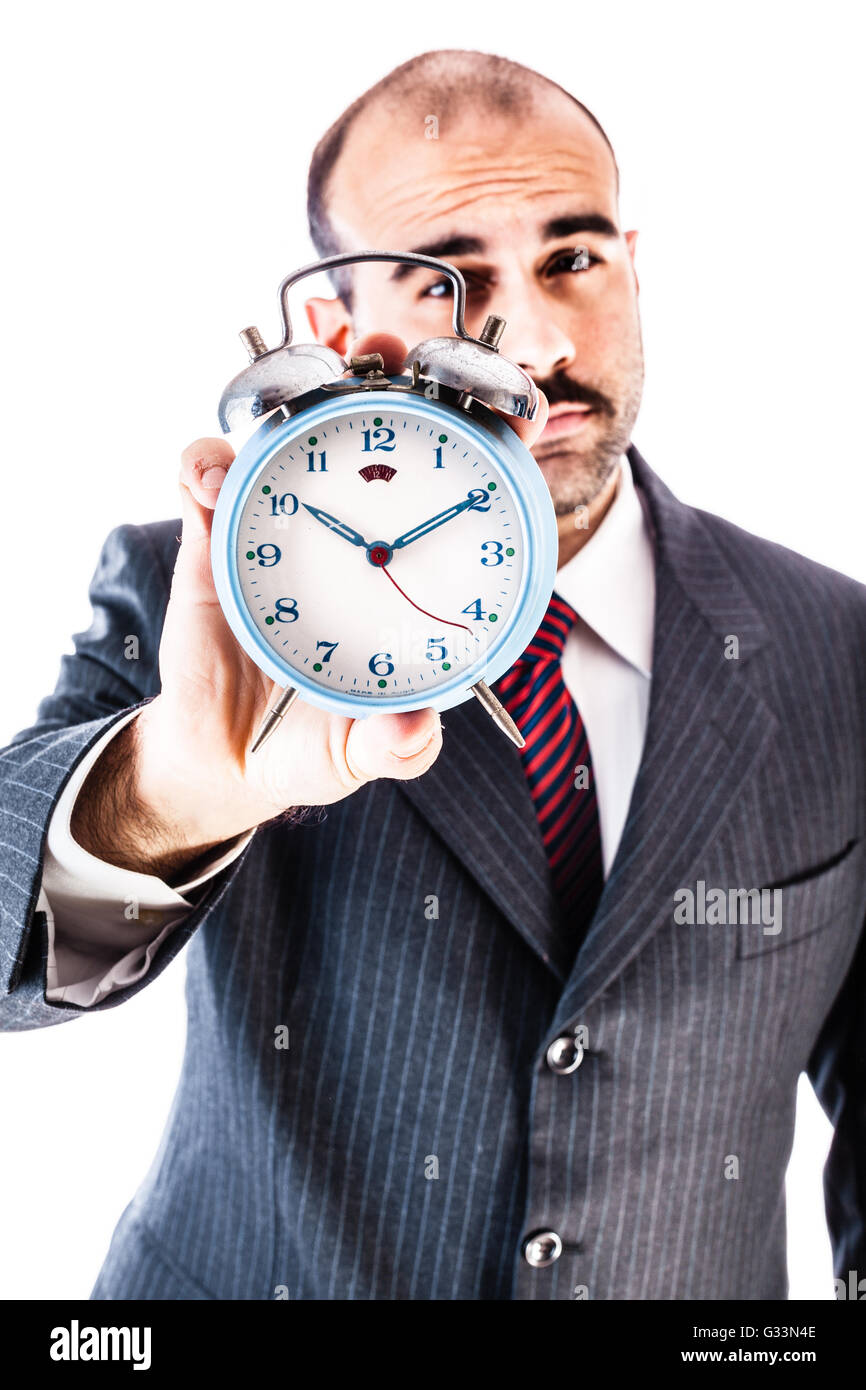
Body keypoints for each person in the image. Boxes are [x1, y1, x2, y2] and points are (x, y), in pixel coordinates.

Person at [1, 48, 864, 1302]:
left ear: (632, 262)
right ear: (330, 328)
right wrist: (174, 792)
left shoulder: (834, 647)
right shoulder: (212, 600)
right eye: (449, 279)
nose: (540, 341)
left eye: (573, 258)